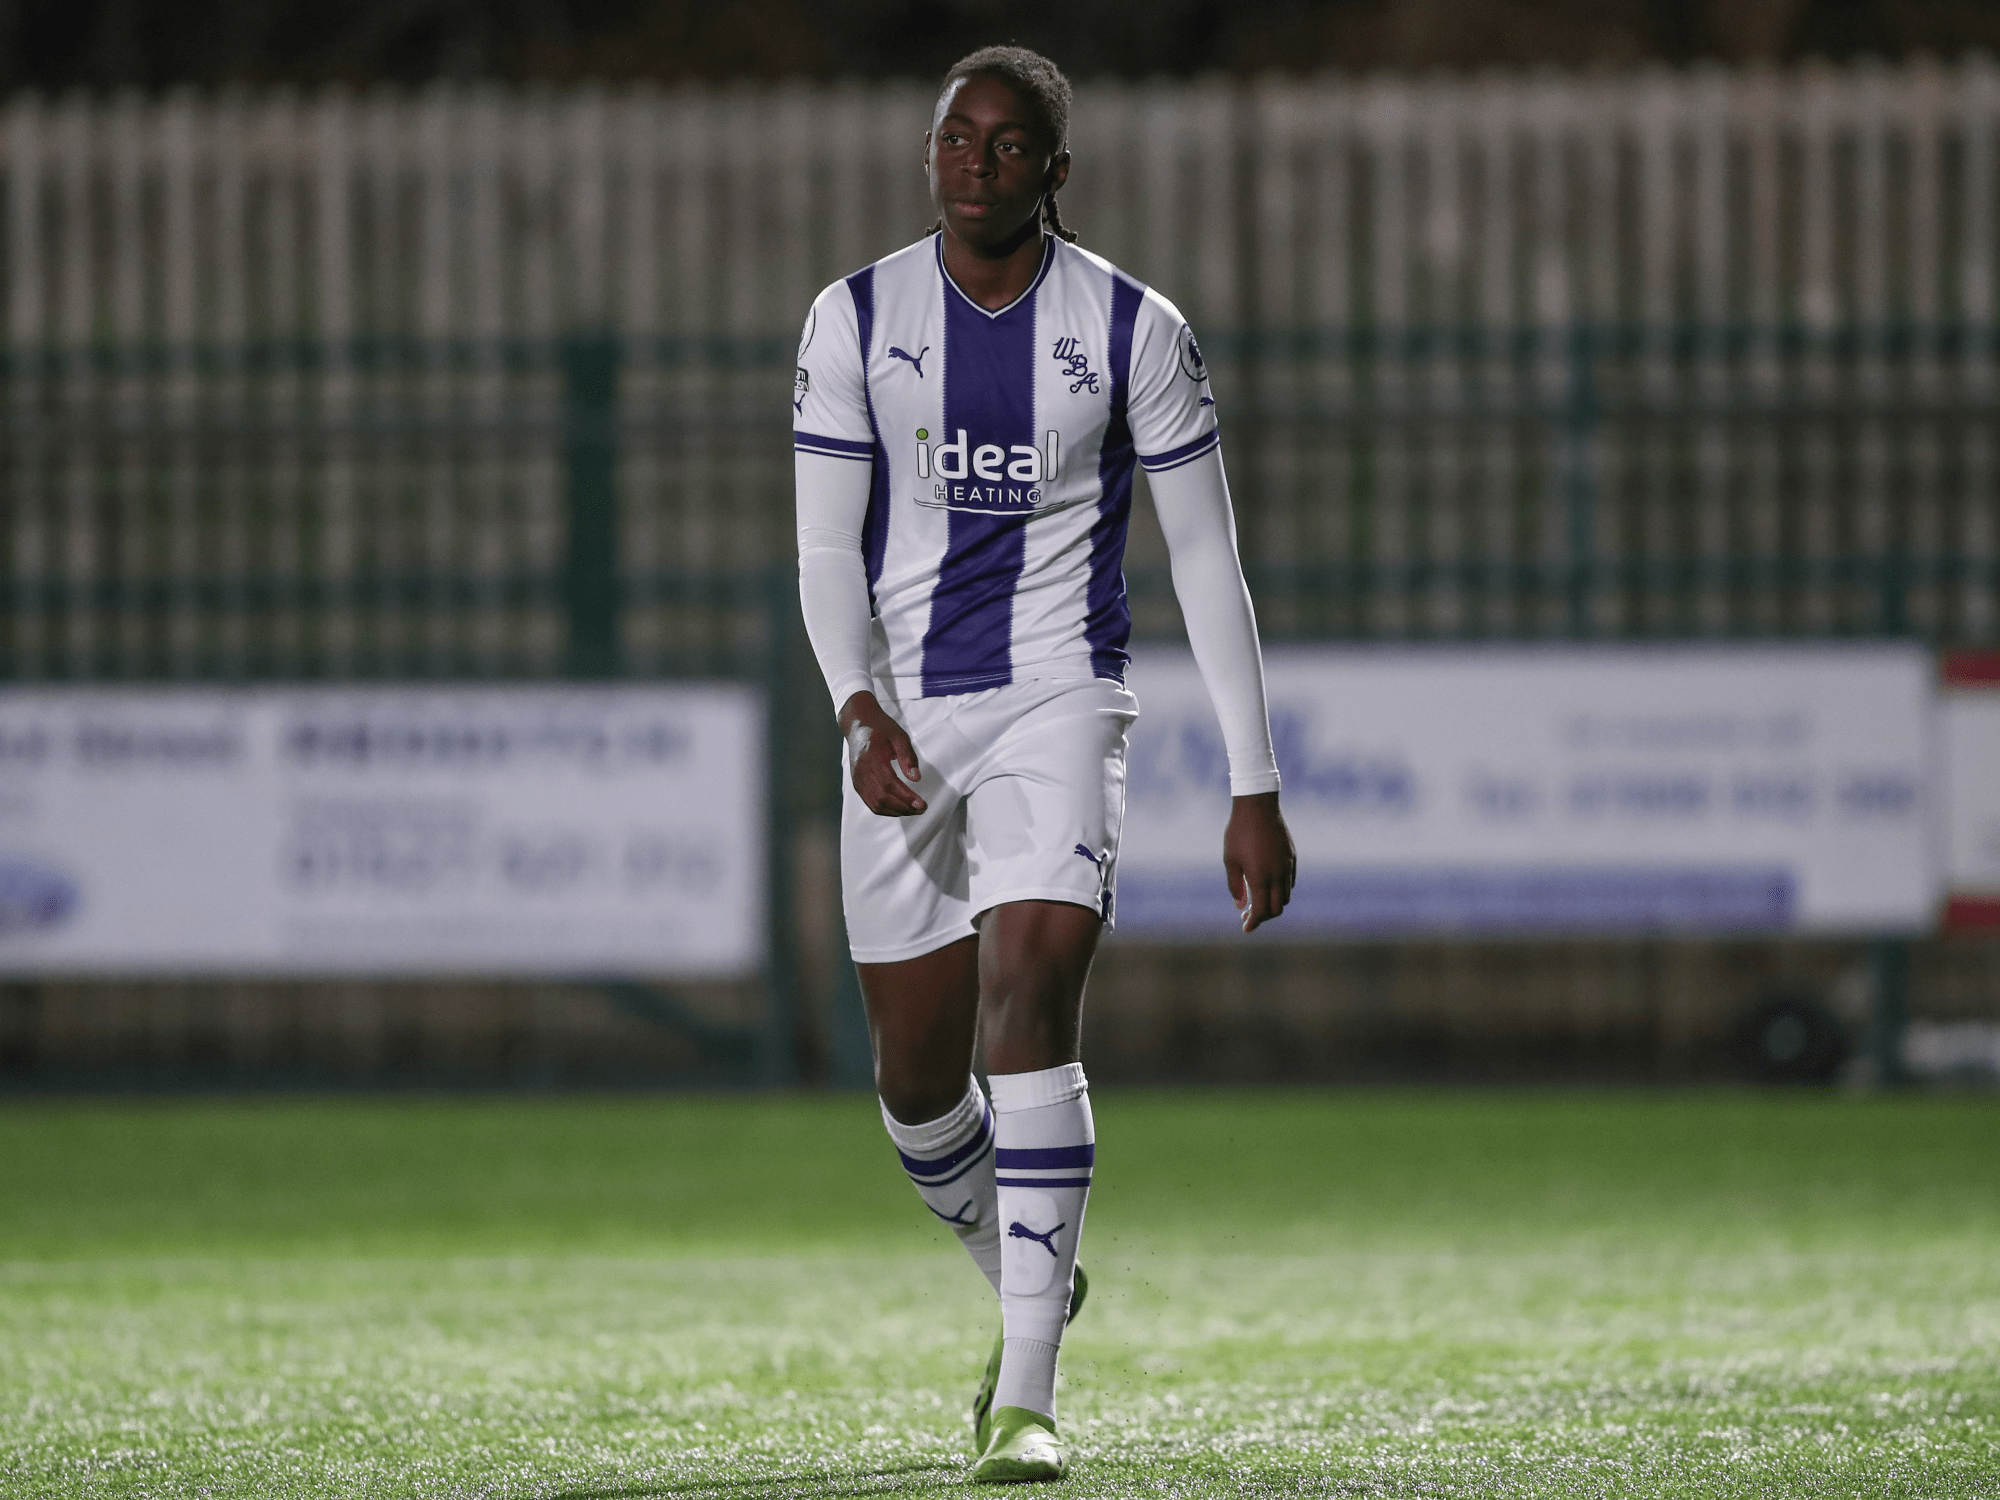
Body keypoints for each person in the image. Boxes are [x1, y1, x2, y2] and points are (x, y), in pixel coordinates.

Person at [792, 44, 1295, 1484]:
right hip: (900, 718)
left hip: (1063, 700)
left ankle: (1027, 1391)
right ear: (930, 153)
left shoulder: (1135, 327)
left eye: (1011, 145)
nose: (977, 161)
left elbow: (1205, 555)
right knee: (914, 1090)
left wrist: (1252, 782)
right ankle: (1026, 1263)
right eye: (958, 136)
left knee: (1031, 988)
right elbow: (828, 548)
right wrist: (857, 707)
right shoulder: (856, 316)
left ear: (1055, 172)